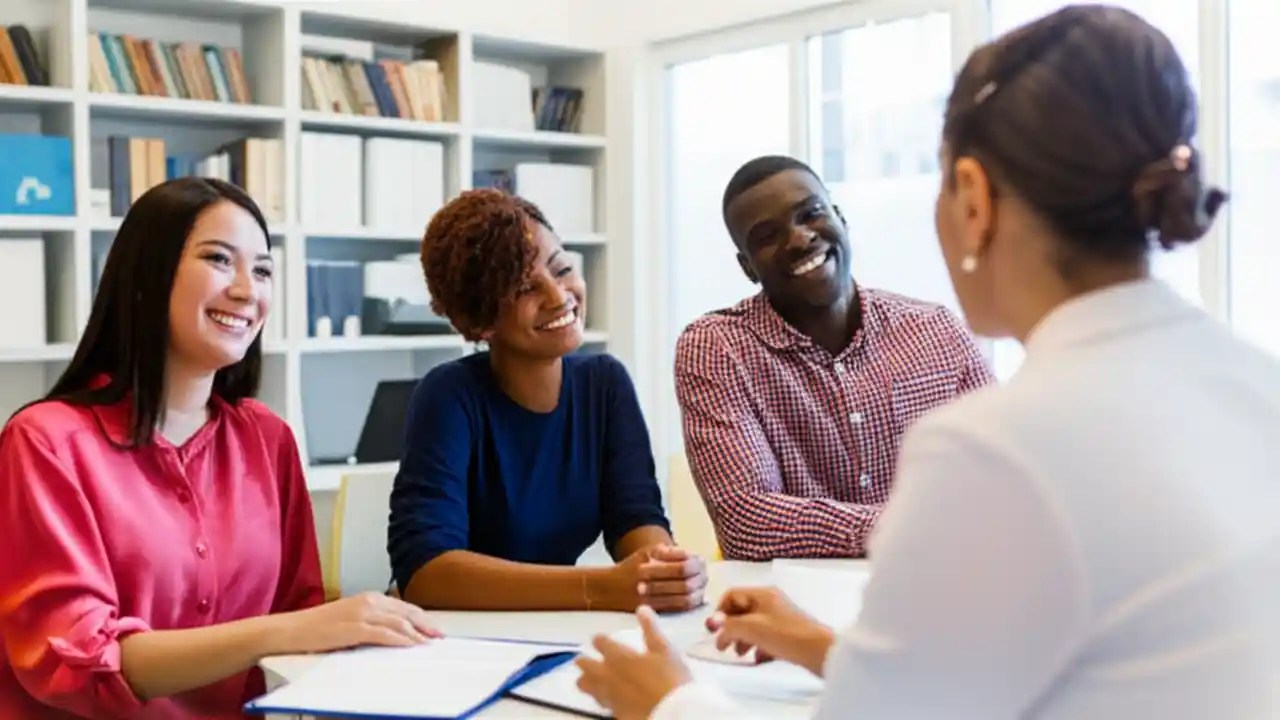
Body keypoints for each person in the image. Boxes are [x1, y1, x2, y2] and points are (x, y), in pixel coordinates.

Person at [574, 5, 1280, 719]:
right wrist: (832, 648)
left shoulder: (991, 449)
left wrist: (668, 702)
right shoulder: (1256, 388)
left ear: (971, 198)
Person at [0, 178, 440, 719]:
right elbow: (80, 660)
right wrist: (294, 628)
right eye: (218, 260)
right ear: (145, 277)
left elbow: (297, 612)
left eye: (261, 270)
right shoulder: (47, 442)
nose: (246, 290)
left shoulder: (267, 438)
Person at [389, 188, 707, 613]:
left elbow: (634, 515)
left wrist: (662, 569)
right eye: (524, 288)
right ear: (479, 319)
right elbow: (426, 573)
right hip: (459, 641)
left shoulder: (605, 383)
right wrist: (602, 588)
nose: (559, 296)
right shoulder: (448, 396)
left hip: (554, 630)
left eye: (561, 269)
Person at [674, 153, 994, 560]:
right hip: (795, 607)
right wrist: (912, 528)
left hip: (944, 586)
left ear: (840, 217)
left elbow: (1000, 483)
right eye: (767, 236)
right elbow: (747, 521)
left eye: (810, 214)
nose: (799, 238)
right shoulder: (718, 348)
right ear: (748, 268)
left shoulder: (937, 330)